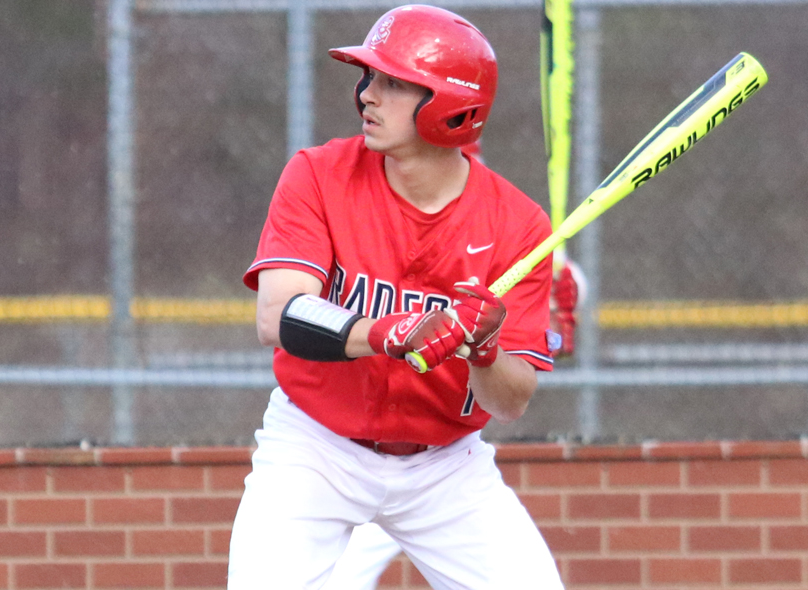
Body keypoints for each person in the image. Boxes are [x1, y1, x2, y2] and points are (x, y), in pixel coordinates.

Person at [229, 5, 564, 589]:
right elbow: (277, 315)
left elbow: (511, 401)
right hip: (317, 446)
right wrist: (386, 333)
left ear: (453, 108)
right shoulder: (317, 174)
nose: (366, 95)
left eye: (392, 83)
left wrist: (483, 349)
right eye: (367, 78)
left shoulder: (519, 225)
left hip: (445, 466)